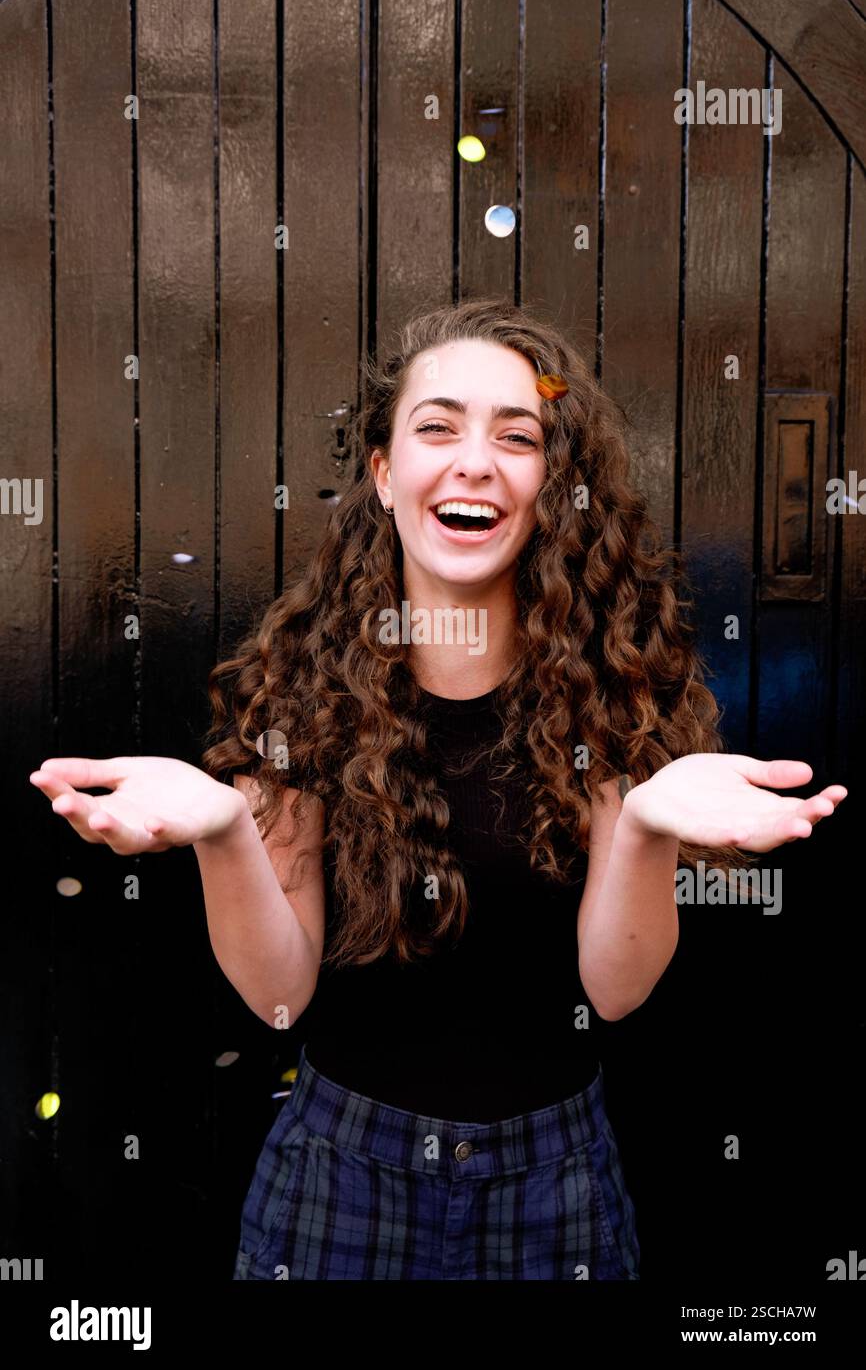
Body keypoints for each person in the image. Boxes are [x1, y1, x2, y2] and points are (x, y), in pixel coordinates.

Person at [30, 297, 847, 1281]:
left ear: (552, 486)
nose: (474, 461)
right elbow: (280, 1002)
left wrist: (641, 830)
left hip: (554, 1185)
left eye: (518, 437)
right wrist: (222, 834)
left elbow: (613, 993)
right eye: (436, 427)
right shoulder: (300, 689)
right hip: (338, 1178)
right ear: (383, 474)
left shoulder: (608, 694)